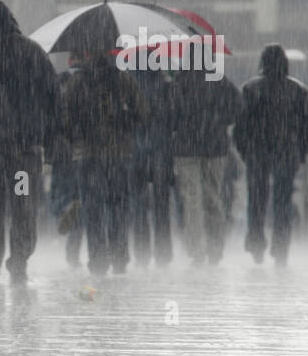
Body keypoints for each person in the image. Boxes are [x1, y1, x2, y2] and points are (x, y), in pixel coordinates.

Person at [0, 1, 59, 285]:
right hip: (25, 152)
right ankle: (18, 260)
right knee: (23, 205)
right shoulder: (33, 52)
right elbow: (53, 98)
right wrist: (50, 139)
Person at [61, 47, 148, 276]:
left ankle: (98, 260)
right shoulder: (124, 80)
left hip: (87, 155)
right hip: (119, 153)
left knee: (93, 209)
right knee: (118, 207)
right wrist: (124, 120)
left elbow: (64, 117)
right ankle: (119, 258)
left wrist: (78, 135)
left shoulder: (77, 82)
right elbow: (143, 113)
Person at [234, 44, 308, 266]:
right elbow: (307, 130)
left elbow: (240, 128)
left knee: (256, 201)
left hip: (257, 152)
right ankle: (281, 248)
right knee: (282, 203)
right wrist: (300, 154)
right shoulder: (298, 91)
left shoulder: (250, 89)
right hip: (287, 152)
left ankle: (256, 243)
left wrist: (246, 152)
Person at [168, 54, 241, 265]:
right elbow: (238, 107)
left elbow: (171, 115)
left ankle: (196, 249)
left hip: (186, 148)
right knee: (213, 196)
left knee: (192, 199)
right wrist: (219, 122)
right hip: (215, 147)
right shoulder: (218, 79)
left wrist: (182, 127)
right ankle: (216, 248)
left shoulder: (179, 82)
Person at [129, 62, 175, 268]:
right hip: (161, 151)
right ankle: (163, 254)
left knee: (138, 205)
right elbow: (174, 118)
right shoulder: (166, 84)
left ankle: (141, 253)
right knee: (161, 205)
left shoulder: (128, 84)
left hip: (135, 151)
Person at [49, 64, 85, 267]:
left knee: (57, 195)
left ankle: (61, 208)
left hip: (59, 152)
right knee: (79, 199)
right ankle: (73, 253)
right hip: (80, 150)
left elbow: (49, 116)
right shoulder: (87, 82)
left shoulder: (57, 82)